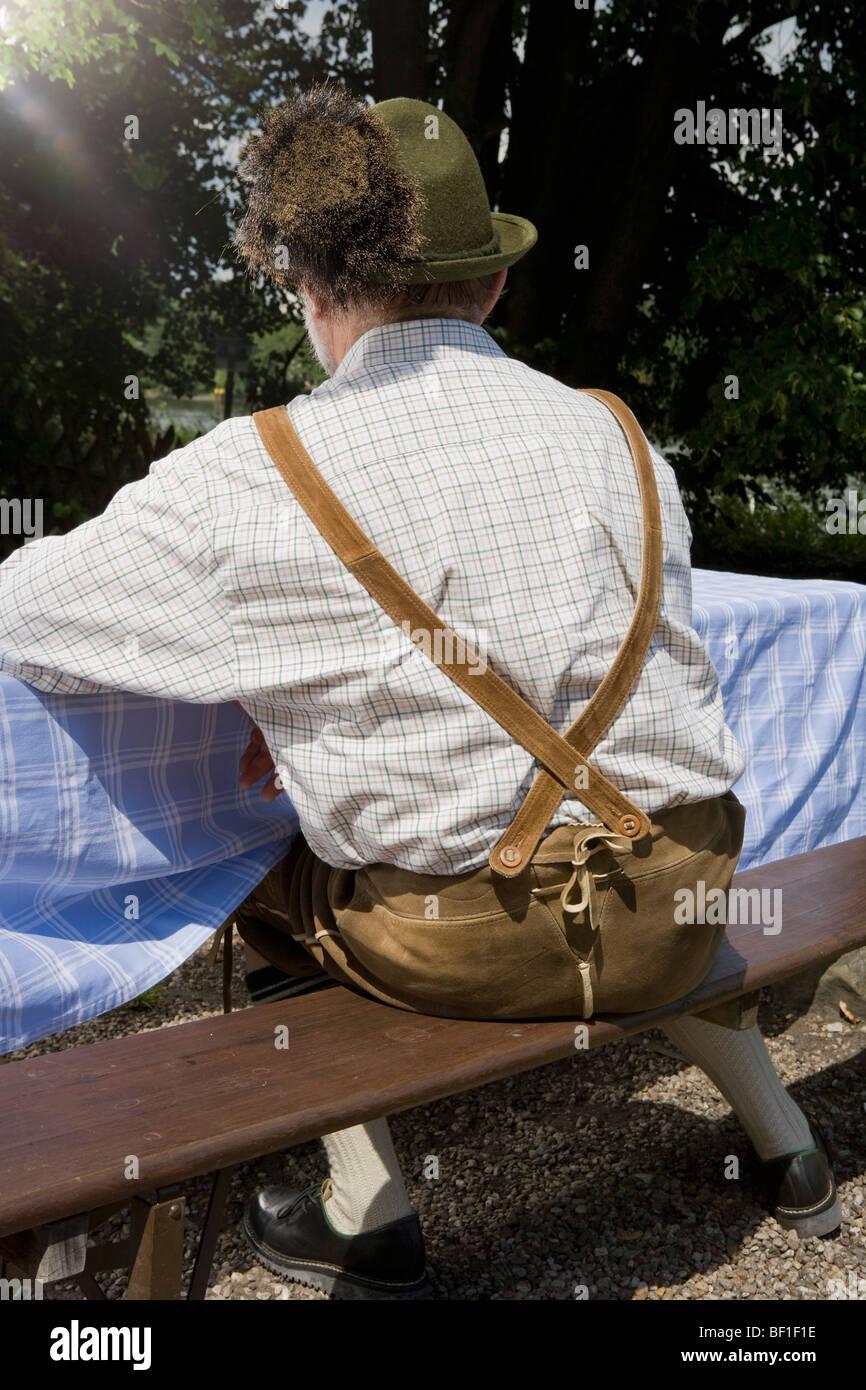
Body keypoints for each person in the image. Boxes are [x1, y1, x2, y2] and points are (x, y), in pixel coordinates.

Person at [0, 84, 839, 1301]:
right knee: (621, 827)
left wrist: (270, 690)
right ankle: (787, 1142)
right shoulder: (619, 434)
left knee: (258, 861)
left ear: (309, 289)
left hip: (476, 945)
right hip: (691, 893)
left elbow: (26, 607)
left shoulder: (256, 471)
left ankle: (370, 1207)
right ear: (494, 285)